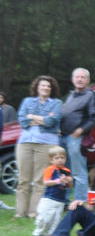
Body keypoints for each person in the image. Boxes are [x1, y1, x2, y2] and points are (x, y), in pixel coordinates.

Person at [15, 75, 63, 219]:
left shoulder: (57, 103)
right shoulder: (27, 101)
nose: (45, 88)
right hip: (25, 142)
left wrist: (32, 117)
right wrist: (42, 119)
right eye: (43, 85)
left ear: (52, 89)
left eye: (48, 86)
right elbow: (22, 120)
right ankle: (20, 212)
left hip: (47, 144)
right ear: (37, 87)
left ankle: (34, 212)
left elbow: (51, 121)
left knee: (40, 180)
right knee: (23, 179)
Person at [60, 68, 95, 202]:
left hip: (76, 138)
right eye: (77, 77)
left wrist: (80, 130)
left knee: (78, 171)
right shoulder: (71, 95)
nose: (79, 79)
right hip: (63, 137)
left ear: (88, 80)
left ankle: (81, 201)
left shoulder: (91, 95)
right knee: (65, 170)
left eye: (83, 77)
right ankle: (64, 200)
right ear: (72, 80)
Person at [32, 146, 72, 236]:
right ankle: (38, 234)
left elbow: (69, 186)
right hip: (49, 198)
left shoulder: (67, 171)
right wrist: (58, 181)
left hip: (60, 200)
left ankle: (49, 235)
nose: (60, 160)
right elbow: (46, 182)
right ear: (51, 160)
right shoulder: (50, 169)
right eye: (57, 158)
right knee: (45, 217)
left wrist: (69, 181)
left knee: (56, 219)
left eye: (62, 158)